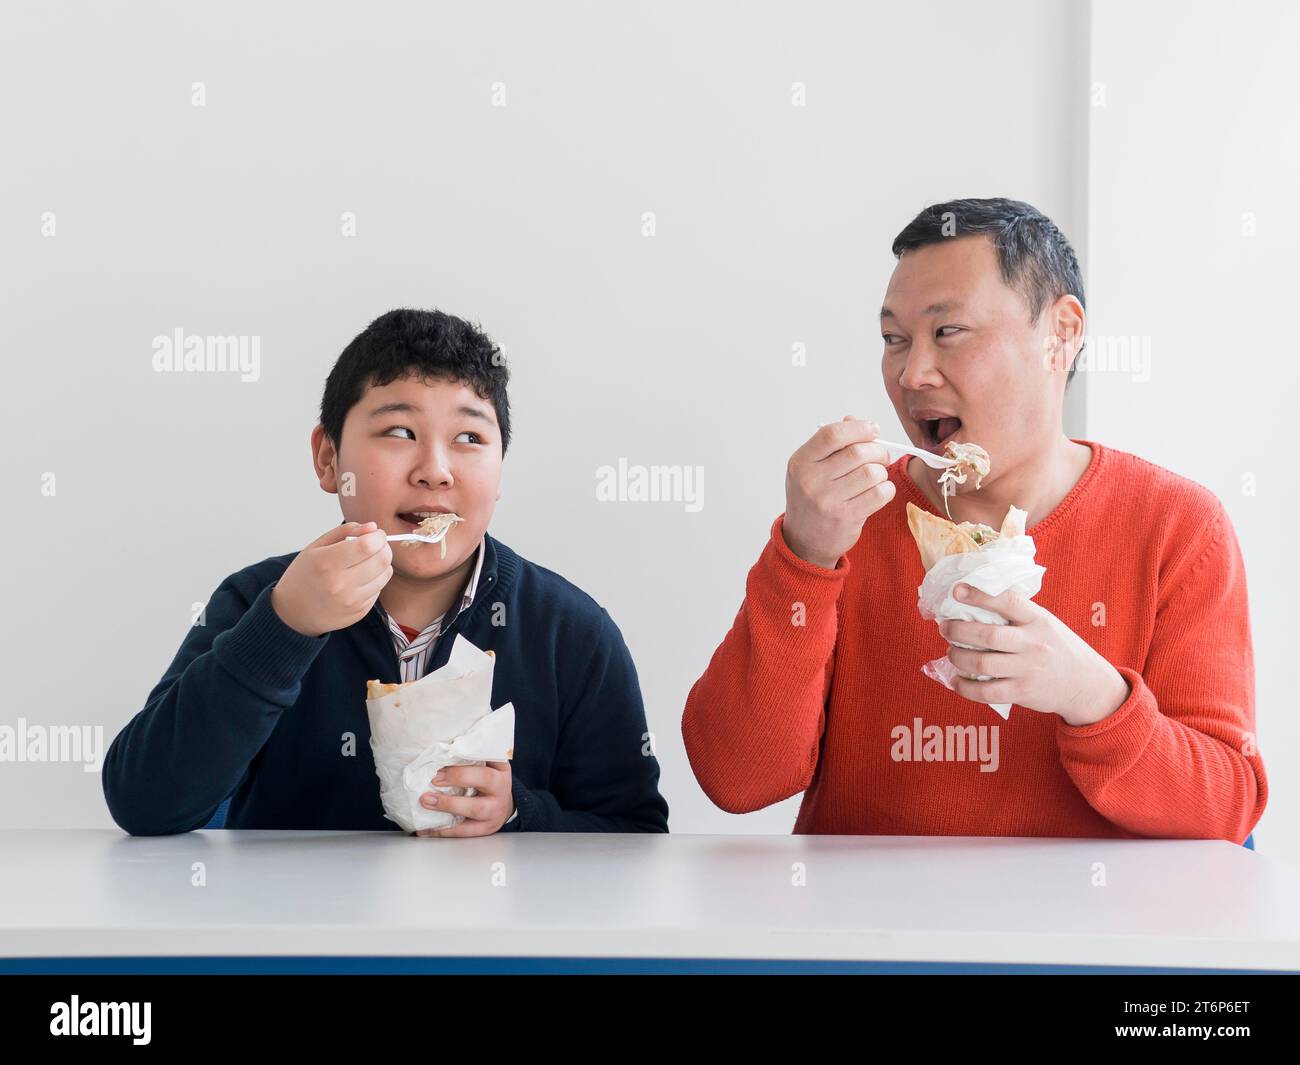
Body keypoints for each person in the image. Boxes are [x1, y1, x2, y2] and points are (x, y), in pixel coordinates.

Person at [682, 198, 1266, 841]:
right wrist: (803, 558)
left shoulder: (1177, 526)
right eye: (893, 340)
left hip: (1087, 937)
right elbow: (737, 780)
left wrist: (1091, 698)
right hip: (871, 933)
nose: (912, 374)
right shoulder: (845, 525)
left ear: (1061, 334)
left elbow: (1227, 808)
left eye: (948, 332)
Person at [104, 308, 669, 836]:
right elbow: (145, 802)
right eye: (400, 432)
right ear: (328, 459)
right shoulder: (261, 601)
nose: (435, 470)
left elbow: (636, 834)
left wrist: (520, 812)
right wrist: (284, 628)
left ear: (500, 474)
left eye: (469, 438)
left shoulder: (570, 633)